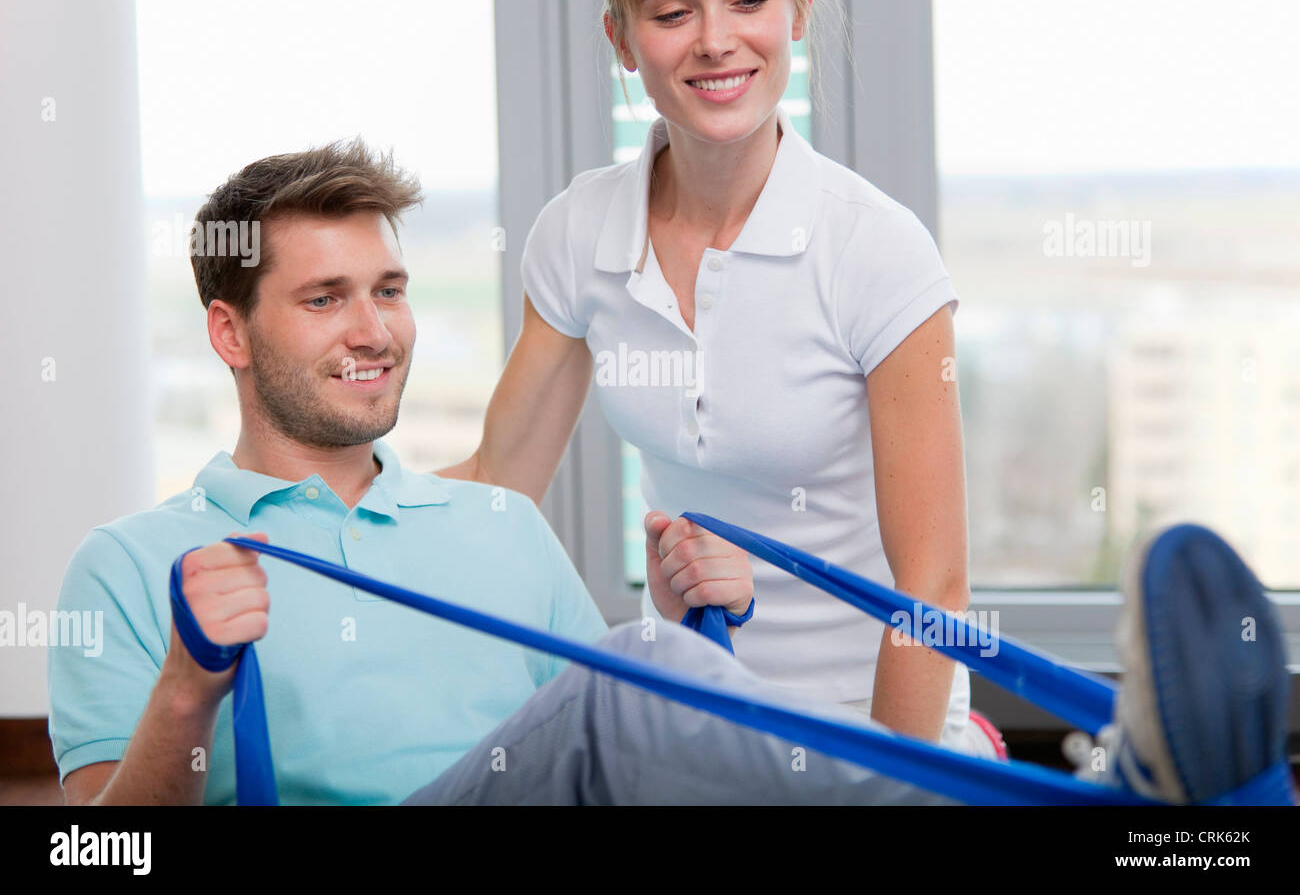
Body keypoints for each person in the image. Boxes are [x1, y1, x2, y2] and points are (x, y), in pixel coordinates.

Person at [48, 141, 1292, 806]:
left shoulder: (488, 523)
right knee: (640, 666)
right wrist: (186, 690)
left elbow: (600, 754)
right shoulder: (138, 563)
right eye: (324, 298)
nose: (373, 329)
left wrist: (712, 636)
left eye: (389, 290)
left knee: (665, 664)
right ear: (228, 331)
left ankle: (1157, 812)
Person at [437, 0, 993, 753]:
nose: (715, 40)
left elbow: (933, 587)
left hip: (878, 729)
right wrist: (306, 508)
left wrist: (885, 785)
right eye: (671, 12)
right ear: (621, 40)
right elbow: (497, 485)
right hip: (695, 711)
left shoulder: (875, 248)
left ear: (798, 8)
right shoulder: (578, 232)